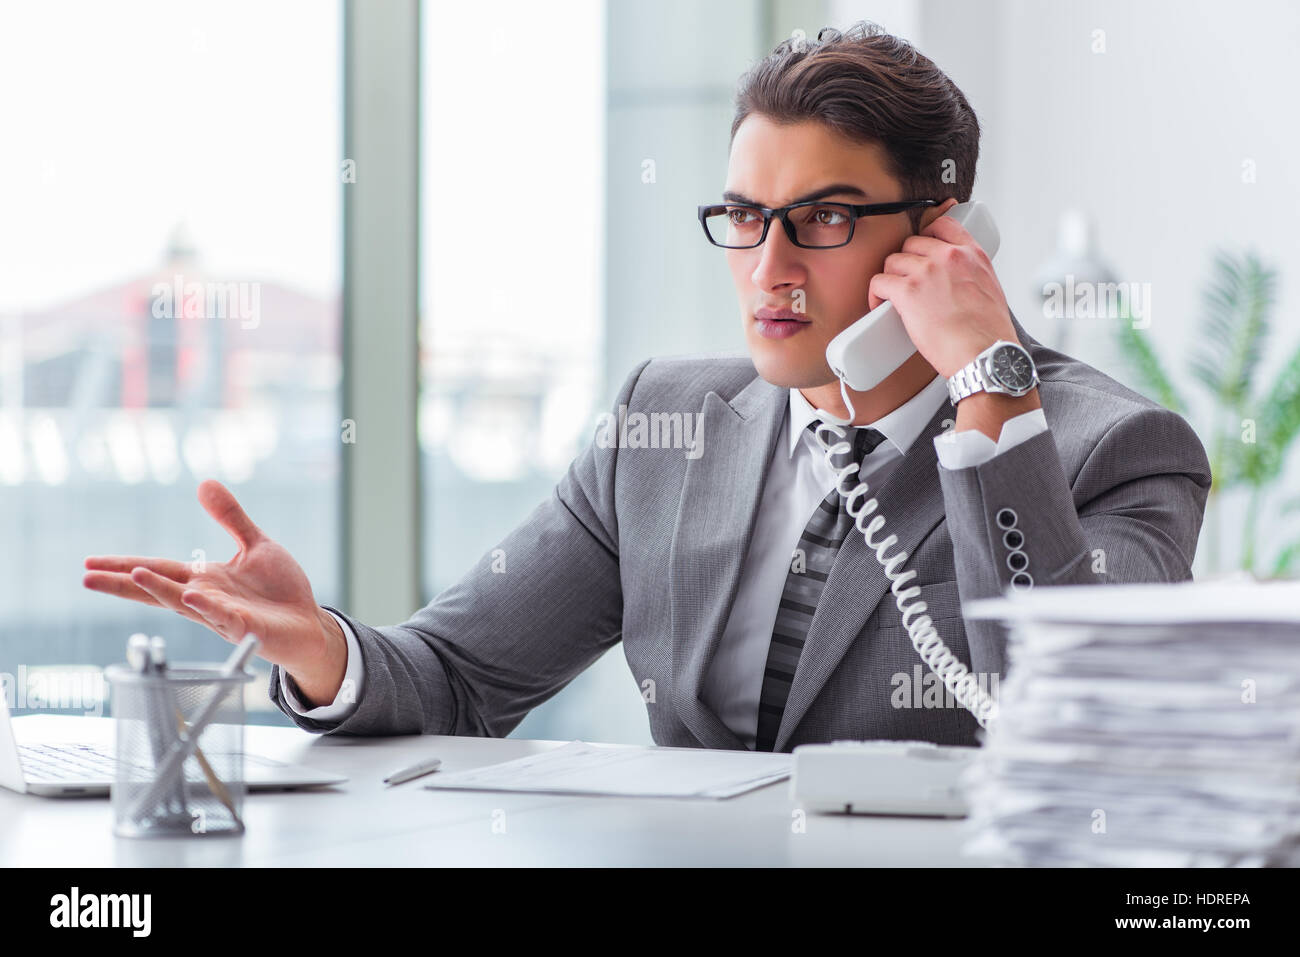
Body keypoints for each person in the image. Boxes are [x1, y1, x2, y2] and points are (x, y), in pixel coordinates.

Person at [83, 22, 1210, 752]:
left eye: (822, 219)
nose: (767, 267)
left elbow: (1077, 727)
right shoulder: (662, 427)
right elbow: (462, 678)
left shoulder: (1118, 450)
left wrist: (990, 389)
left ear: (943, 240)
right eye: (743, 218)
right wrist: (321, 646)